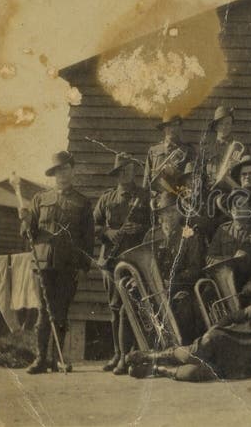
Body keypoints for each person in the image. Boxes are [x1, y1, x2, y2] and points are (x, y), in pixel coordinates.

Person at [125, 273, 251, 382]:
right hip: (226, 340)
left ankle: (158, 369)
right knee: (193, 354)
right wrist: (213, 329)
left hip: (247, 364)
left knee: (193, 373)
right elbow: (236, 316)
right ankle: (151, 355)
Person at [19, 151, 94, 374]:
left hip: (68, 266)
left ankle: (57, 359)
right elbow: (29, 233)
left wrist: (84, 267)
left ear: (72, 170)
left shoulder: (82, 203)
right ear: (53, 174)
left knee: (61, 312)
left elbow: (88, 239)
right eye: (57, 171)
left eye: (65, 169)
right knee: (44, 312)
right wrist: (25, 222)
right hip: (43, 264)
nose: (62, 174)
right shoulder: (39, 199)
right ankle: (41, 358)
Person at [93, 153, 151, 374]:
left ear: (134, 172)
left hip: (135, 260)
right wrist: (110, 232)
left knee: (134, 306)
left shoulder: (145, 196)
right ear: (116, 175)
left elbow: (156, 224)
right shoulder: (107, 198)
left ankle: (133, 354)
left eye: (128, 170)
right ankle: (118, 354)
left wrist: (141, 229)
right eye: (121, 171)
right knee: (115, 308)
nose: (125, 174)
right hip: (111, 260)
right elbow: (93, 226)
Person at [141, 191, 207, 345]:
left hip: (179, 288)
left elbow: (195, 269)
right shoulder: (151, 235)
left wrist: (172, 282)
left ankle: (183, 347)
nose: (169, 215)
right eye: (165, 212)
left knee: (183, 306)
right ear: (160, 215)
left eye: (173, 211)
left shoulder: (189, 234)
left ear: (180, 212)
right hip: (153, 288)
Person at [207, 190, 251, 303]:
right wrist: (230, 259)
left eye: (240, 204)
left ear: (250, 208)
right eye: (233, 205)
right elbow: (210, 258)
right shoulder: (222, 230)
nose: (236, 208)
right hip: (227, 286)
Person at [143, 114, 196, 197]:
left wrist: (175, 173)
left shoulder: (188, 150)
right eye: (169, 126)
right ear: (164, 128)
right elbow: (147, 179)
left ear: (179, 128)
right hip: (156, 198)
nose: (172, 129)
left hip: (179, 198)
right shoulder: (154, 150)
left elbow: (191, 179)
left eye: (175, 126)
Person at [204, 106, 247, 189]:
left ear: (231, 126)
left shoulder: (238, 147)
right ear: (216, 127)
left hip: (232, 190)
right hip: (211, 190)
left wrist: (237, 167)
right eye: (221, 124)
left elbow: (247, 173)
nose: (224, 127)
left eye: (228, 123)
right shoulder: (207, 149)